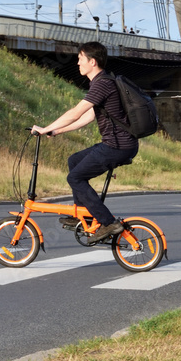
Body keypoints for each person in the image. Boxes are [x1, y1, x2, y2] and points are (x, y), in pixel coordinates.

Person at [31, 41, 138, 240]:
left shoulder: (103, 83)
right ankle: (82, 215)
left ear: (92, 62)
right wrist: (57, 131)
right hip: (117, 144)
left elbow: (75, 113)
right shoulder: (100, 83)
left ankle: (108, 223)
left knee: (75, 178)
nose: (77, 63)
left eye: (80, 59)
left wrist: (46, 128)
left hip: (118, 146)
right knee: (74, 161)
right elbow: (86, 118)